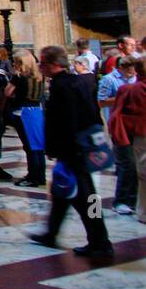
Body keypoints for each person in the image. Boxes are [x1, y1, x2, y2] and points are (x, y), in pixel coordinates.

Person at [29, 45, 113, 258]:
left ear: (53, 64)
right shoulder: (77, 82)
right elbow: (93, 113)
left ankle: (100, 241)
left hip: (73, 151)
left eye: (43, 63)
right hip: (77, 148)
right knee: (60, 192)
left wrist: (59, 148)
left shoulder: (62, 87)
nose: (40, 67)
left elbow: (65, 121)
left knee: (87, 197)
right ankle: (51, 232)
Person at [97, 52, 137, 216]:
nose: (133, 73)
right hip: (118, 124)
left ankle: (134, 200)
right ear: (121, 67)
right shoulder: (109, 79)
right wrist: (123, 96)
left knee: (135, 166)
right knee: (125, 164)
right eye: (130, 70)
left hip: (135, 125)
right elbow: (101, 101)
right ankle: (121, 200)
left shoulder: (135, 80)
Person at [108, 56, 146, 225]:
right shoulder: (130, 89)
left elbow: (117, 115)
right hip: (138, 136)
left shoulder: (128, 89)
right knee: (136, 170)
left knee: (141, 173)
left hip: (135, 135)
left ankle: (141, 210)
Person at [4, 50, 46, 187]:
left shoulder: (19, 76)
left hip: (24, 112)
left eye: (16, 61)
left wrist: (16, 94)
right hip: (37, 111)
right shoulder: (40, 75)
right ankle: (40, 175)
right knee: (38, 145)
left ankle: (33, 177)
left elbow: (7, 92)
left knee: (29, 146)